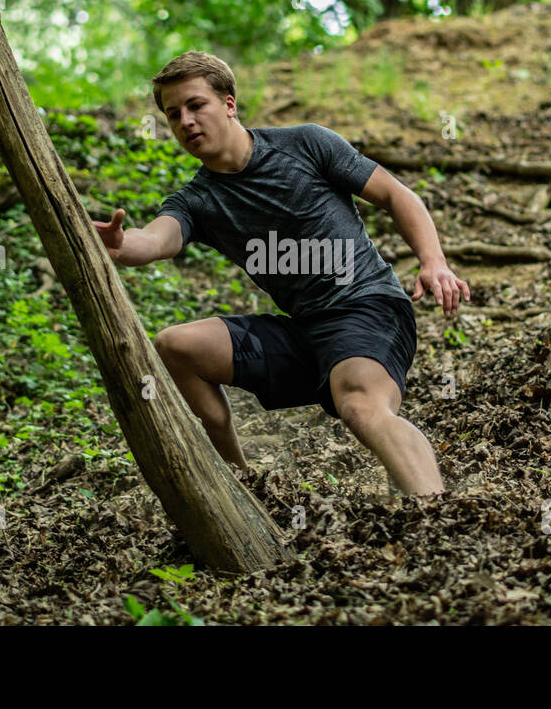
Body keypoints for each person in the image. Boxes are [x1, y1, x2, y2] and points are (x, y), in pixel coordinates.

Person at [92, 51, 469, 495]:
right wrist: (121, 245)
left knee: (360, 405)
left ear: (229, 104)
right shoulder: (196, 201)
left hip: (368, 308)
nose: (186, 121)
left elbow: (396, 194)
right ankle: (243, 486)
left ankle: (434, 509)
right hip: (303, 333)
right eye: (174, 115)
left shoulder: (306, 144)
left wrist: (433, 260)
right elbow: (157, 239)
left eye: (196, 105)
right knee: (177, 347)